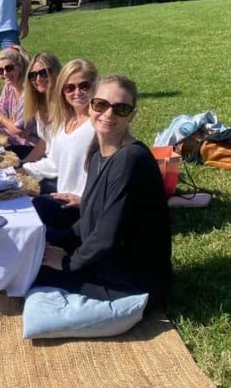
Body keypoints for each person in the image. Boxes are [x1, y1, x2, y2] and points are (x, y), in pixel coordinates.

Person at [36, 75, 172, 309]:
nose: (108, 114)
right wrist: (51, 241)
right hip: (106, 261)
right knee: (35, 248)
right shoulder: (99, 154)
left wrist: (68, 262)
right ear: (90, 107)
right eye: (101, 105)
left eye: (121, 109)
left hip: (130, 283)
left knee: (31, 275)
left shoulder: (130, 159)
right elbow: (90, 221)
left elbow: (106, 236)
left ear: (132, 115)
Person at [23, 59, 97, 228]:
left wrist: (85, 201)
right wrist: (23, 169)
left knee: (30, 214)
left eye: (83, 85)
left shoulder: (99, 124)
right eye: (70, 87)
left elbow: (114, 174)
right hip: (61, 198)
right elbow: (55, 163)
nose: (77, 92)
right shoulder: (63, 121)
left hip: (82, 208)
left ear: (94, 85)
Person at [0, 46, 36, 158]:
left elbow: (19, 131)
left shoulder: (28, 92)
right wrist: (6, 121)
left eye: (9, 68)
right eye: (0, 71)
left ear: (20, 67)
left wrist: (1, 118)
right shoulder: (9, 87)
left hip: (29, 147)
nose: (4, 73)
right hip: (10, 140)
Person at [21, 52, 63, 163]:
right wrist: (23, 163)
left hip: (58, 168)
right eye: (33, 75)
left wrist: (26, 168)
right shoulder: (40, 105)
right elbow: (44, 142)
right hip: (46, 163)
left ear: (56, 72)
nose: (38, 79)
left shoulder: (65, 105)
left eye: (44, 73)